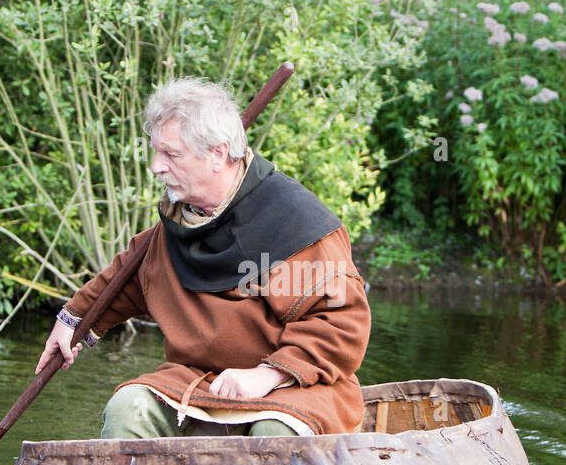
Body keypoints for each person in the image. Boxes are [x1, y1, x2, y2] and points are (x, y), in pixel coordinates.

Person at [34, 77, 371, 438]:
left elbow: (343, 324)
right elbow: (125, 280)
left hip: (294, 390)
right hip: (199, 382)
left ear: (217, 154)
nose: (156, 167)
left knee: (272, 434)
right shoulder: (178, 225)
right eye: (156, 151)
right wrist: (71, 320)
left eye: (171, 154)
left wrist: (268, 374)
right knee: (128, 407)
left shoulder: (299, 225)